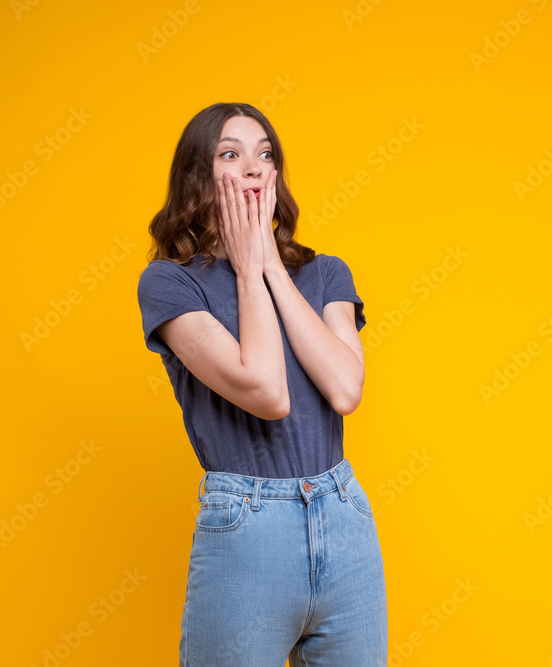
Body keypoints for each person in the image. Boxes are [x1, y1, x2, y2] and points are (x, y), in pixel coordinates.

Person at [136, 102, 387, 666]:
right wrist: (248, 271)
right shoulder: (171, 285)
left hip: (344, 519)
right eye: (231, 154)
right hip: (247, 530)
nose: (253, 167)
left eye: (264, 153)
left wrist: (271, 265)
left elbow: (346, 389)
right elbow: (268, 392)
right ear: (199, 177)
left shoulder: (325, 274)